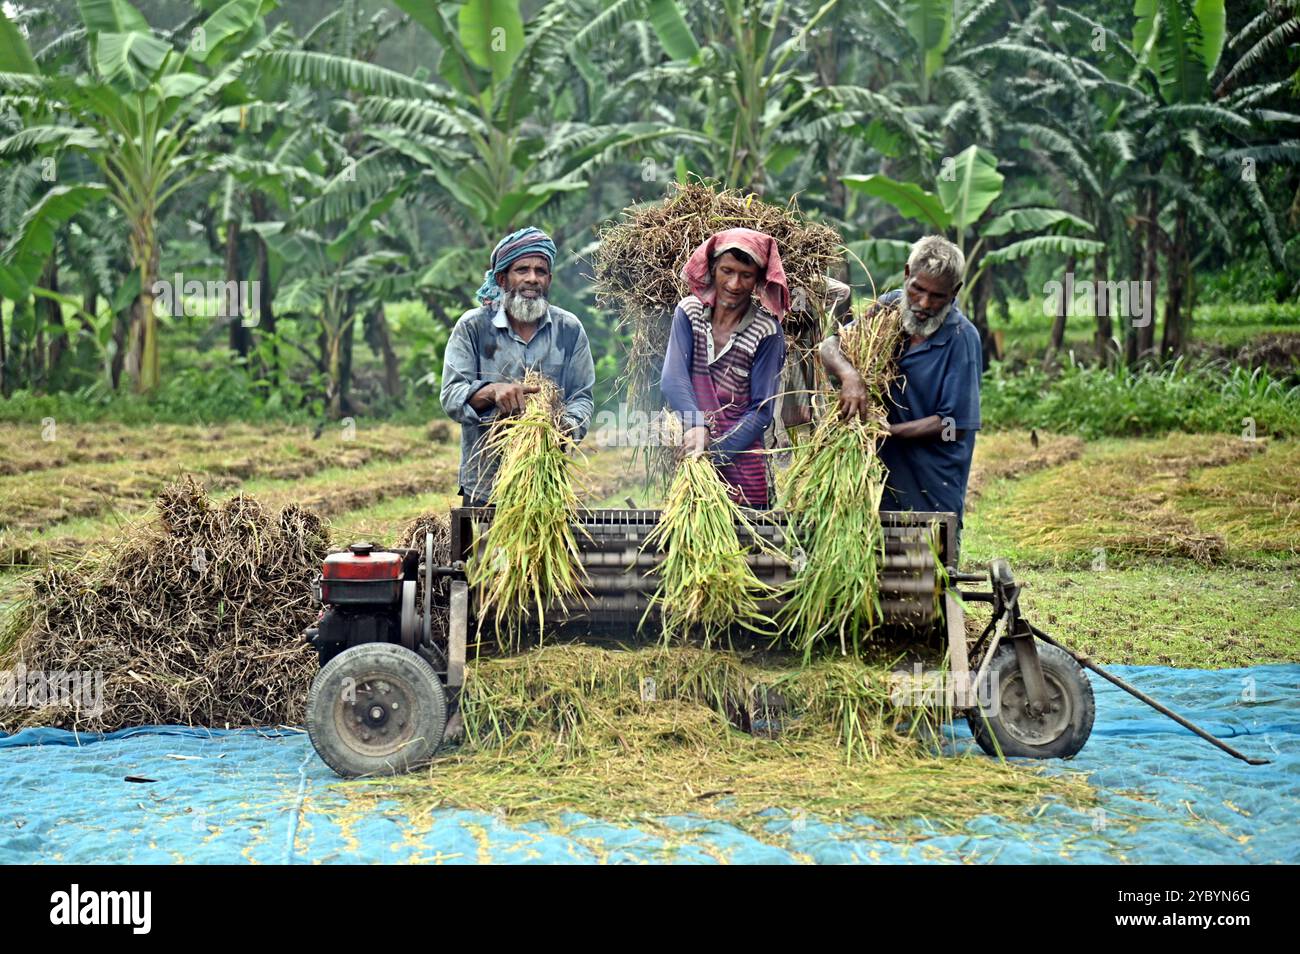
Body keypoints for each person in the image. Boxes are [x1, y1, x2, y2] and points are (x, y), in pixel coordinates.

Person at [819, 235, 981, 554]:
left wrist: (884, 432)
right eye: (917, 289)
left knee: (929, 584)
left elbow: (955, 425)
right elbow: (830, 346)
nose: (922, 305)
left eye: (936, 297)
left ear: (955, 293)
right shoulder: (890, 307)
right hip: (873, 481)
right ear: (907, 274)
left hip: (931, 488)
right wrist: (850, 376)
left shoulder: (962, 339)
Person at [440, 226, 595, 506]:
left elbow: (581, 397)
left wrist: (563, 428)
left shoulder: (569, 329)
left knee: (542, 550)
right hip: (485, 483)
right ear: (502, 278)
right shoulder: (472, 327)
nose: (532, 279)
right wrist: (491, 392)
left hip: (546, 482)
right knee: (486, 550)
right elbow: (451, 396)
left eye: (541, 271)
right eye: (522, 270)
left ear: (549, 279)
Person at [659, 228, 789, 508]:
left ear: (758, 281)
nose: (734, 284)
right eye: (727, 271)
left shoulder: (767, 331)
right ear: (712, 269)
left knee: (750, 542)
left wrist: (714, 454)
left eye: (746, 275)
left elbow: (762, 410)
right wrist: (696, 426)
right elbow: (673, 378)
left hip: (742, 460)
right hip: (690, 450)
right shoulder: (689, 312)